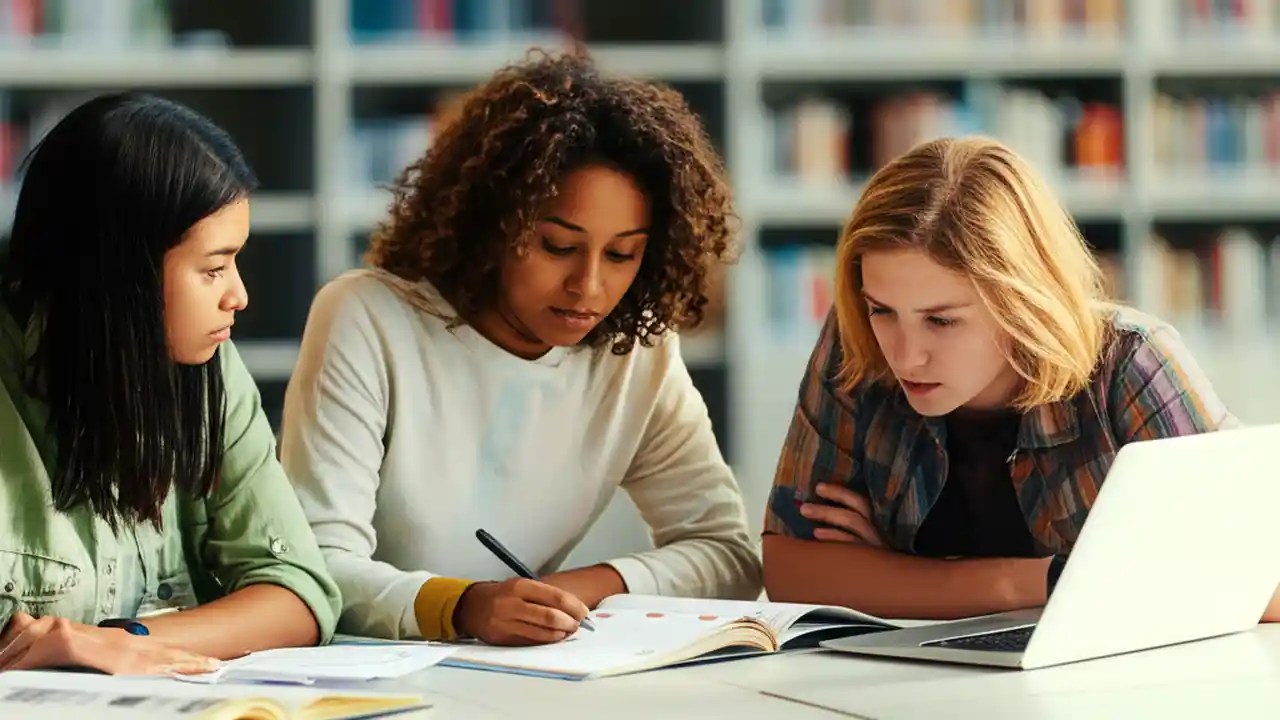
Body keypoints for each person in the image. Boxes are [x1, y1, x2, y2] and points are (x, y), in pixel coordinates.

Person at [280, 52, 761, 646]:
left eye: (621, 255)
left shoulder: (638, 349)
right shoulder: (369, 318)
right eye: (557, 246)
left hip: (524, 673)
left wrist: (580, 590)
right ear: (491, 224)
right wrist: (463, 606)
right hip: (372, 671)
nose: (588, 287)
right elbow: (313, 568)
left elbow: (728, 556)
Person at [763, 135, 1279, 623]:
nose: (905, 355)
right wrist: (1049, 581)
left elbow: (1262, 582)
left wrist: (898, 576)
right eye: (883, 310)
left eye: (941, 320)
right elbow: (792, 572)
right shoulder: (857, 342)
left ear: (1021, 304)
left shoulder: (1132, 363)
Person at [0, 93, 342, 674]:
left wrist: (125, 638)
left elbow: (298, 595)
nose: (239, 295)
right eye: (213, 268)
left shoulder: (210, 371)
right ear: (116, 277)